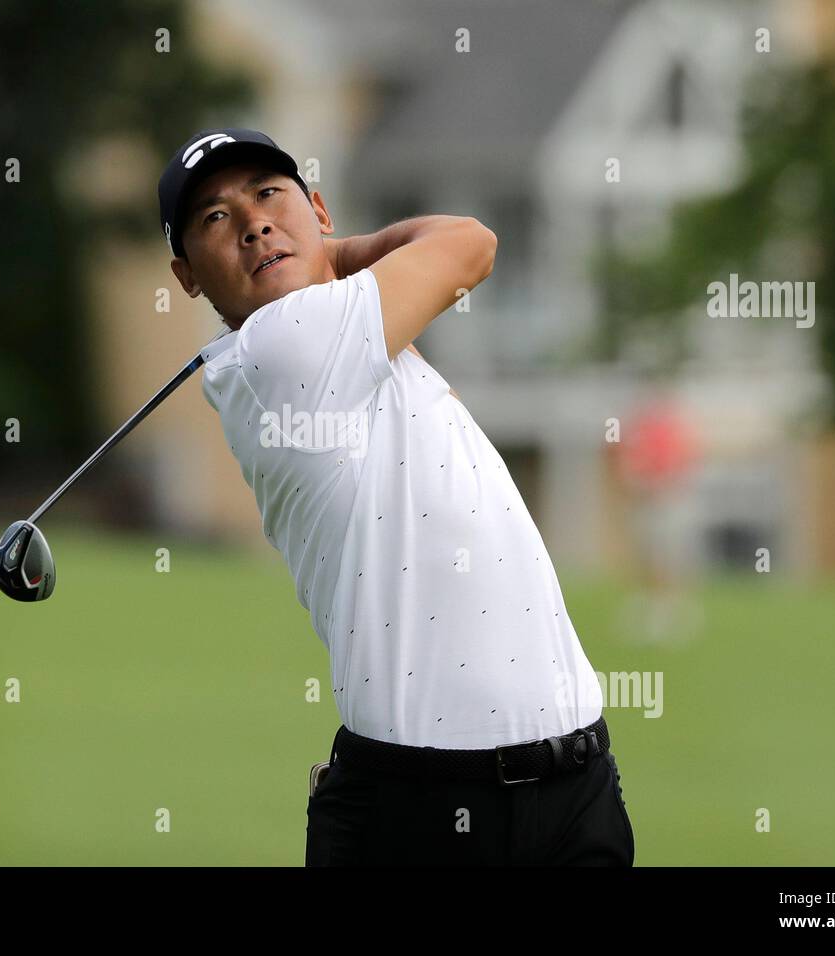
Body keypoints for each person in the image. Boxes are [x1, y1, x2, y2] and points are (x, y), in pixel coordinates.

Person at [158, 128, 634, 865]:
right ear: (187, 276)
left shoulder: (347, 334)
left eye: (268, 195)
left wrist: (315, 252)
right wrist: (330, 249)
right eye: (215, 218)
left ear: (317, 205)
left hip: (576, 791)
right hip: (431, 811)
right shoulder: (285, 348)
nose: (252, 222)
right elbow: (471, 241)